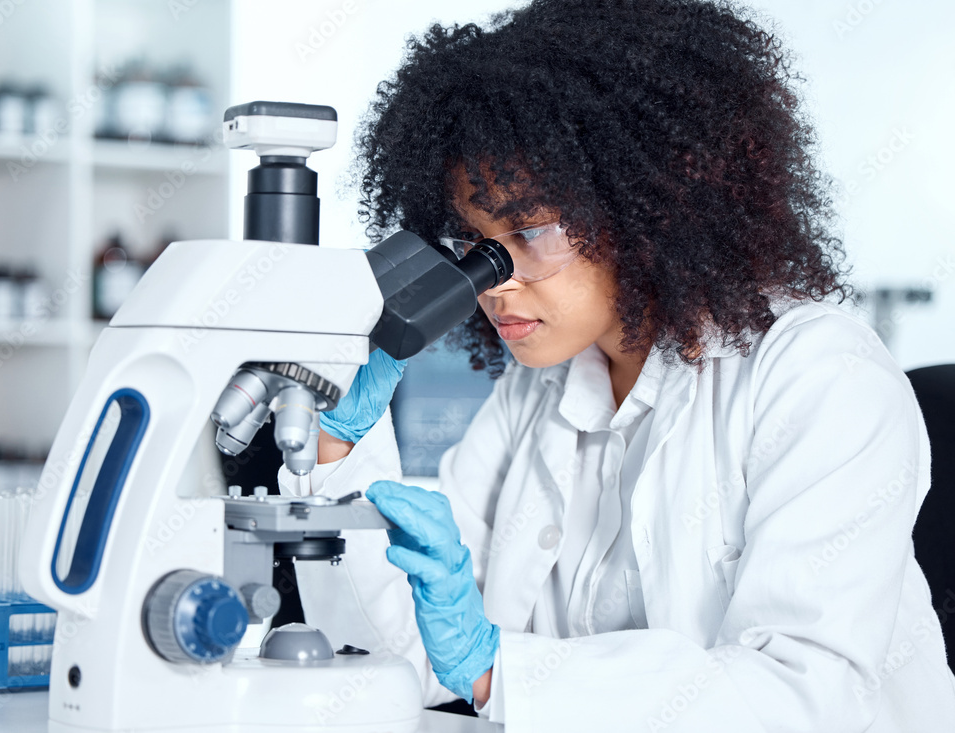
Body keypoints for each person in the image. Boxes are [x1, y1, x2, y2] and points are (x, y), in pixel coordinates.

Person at [278, 0, 955, 729]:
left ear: (651, 205)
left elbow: (801, 694)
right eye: (474, 242)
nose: (492, 282)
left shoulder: (823, 376)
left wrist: (496, 666)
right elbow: (409, 656)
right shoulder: (535, 392)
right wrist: (336, 448)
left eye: (528, 231)